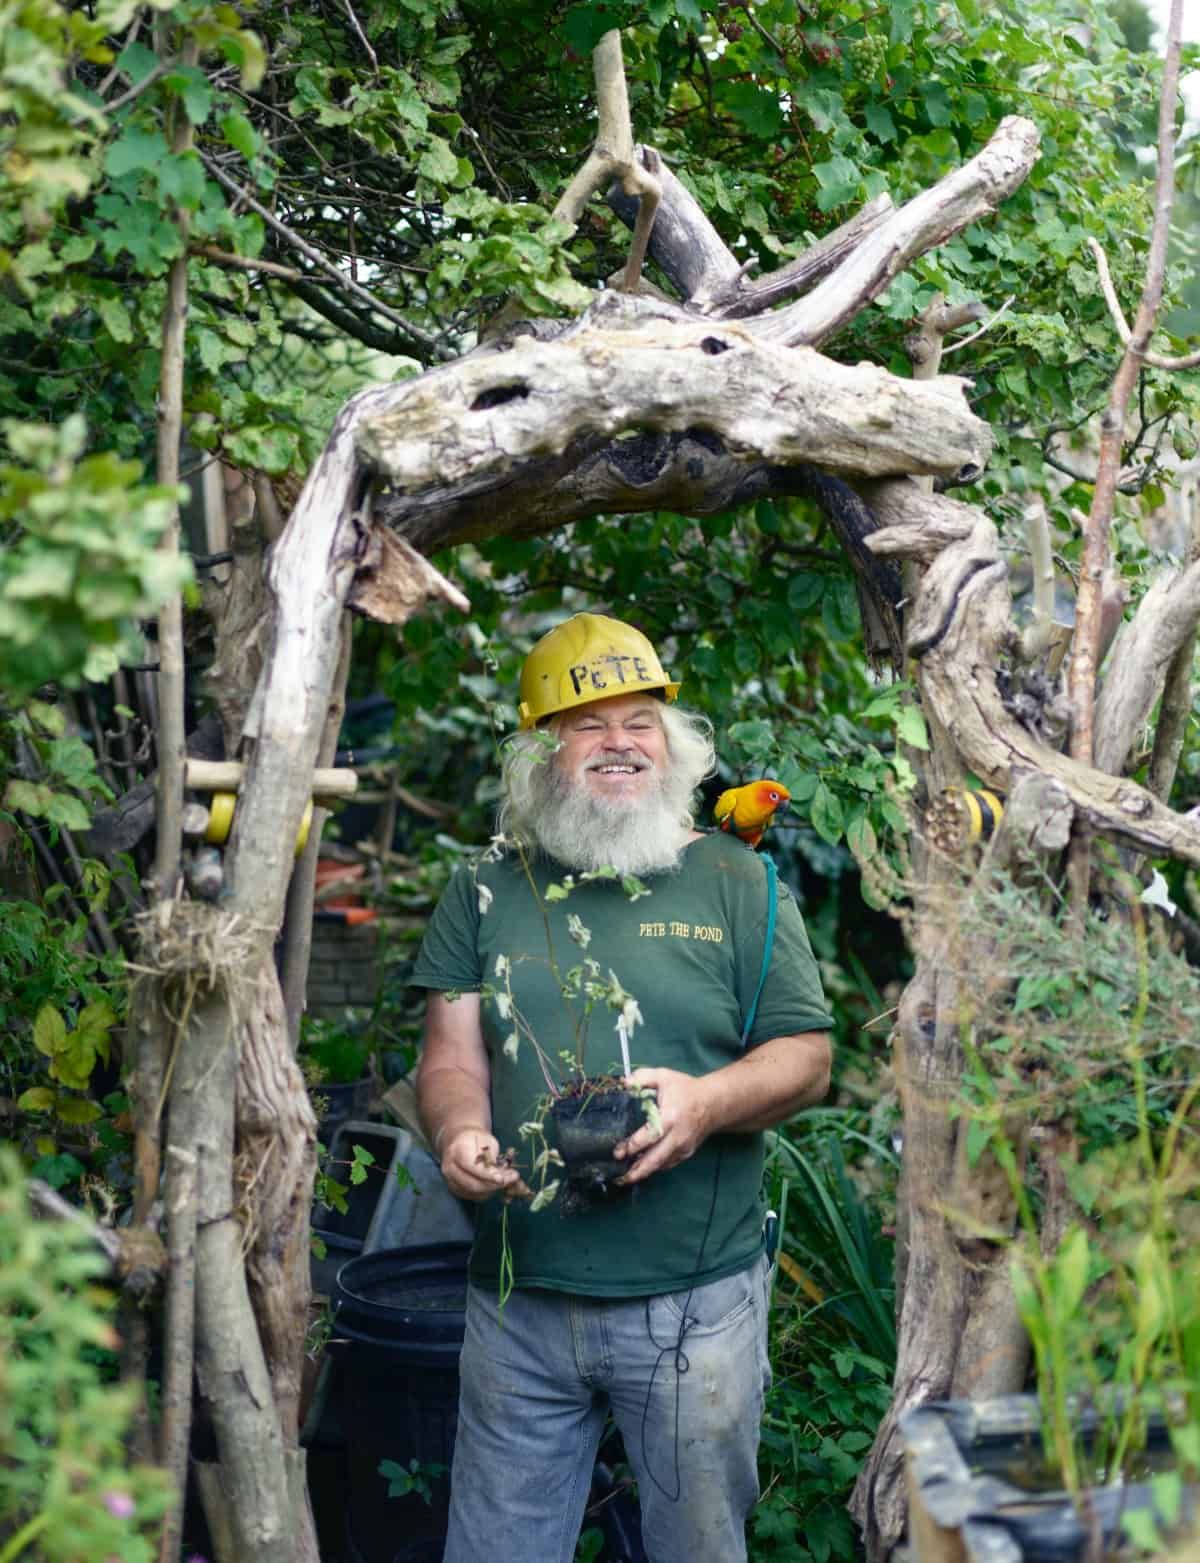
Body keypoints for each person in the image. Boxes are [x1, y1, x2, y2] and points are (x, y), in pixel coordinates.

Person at [411, 612, 833, 1563]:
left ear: (672, 745)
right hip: (519, 1301)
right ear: (540, 750)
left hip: (696, 1302)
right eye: (585, 722)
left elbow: (806, 1057)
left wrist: (702, 1104)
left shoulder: (739, 881)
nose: (618, 742)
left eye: (639, 720)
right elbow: (449, 1054)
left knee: (700, 1550)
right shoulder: (485, 885)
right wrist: (458, 1131)